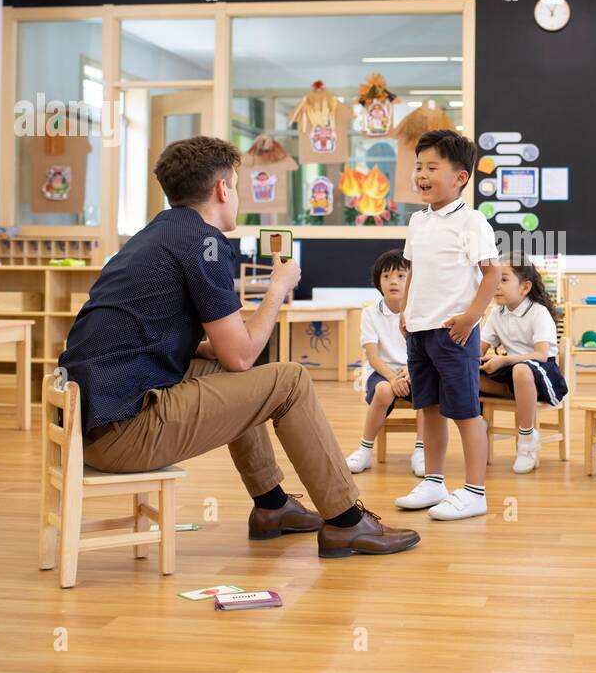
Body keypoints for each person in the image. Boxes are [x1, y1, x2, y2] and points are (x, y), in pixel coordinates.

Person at [59, 135, 419, 559]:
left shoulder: (156, 234)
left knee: (240, 375)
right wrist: (278, 287)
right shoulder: (204, 243)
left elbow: (156, 331)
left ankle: (271, 506)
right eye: (238, 183)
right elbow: (242, 353)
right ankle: (345, 522)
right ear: (222, 188)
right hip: (124, 433)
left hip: (90, 422)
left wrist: (209, 350)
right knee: (290, 380)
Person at [393, 130, 501, 521]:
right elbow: (415, 270)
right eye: (418, 166)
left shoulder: (472, 222)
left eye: (431, 167)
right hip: (420, 329)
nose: (421, 174)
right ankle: (434, 481)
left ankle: (475, 491)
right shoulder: (418, 221)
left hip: (453, 331)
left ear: (460, 177)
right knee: (430, 408)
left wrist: (472, 318)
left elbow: (492, 274)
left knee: (465, 411)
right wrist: (405, 310)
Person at [479, 261, 568, 474]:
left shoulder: (538, 312)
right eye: (495, 279)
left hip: (543, 373)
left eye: (504, 279)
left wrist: (503, 361)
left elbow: (541, 355)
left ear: (525, 287)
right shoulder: (496, 313)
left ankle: (527, 439)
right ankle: (477, 428)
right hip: (514, 375)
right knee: (466, 373)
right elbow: (478, 351)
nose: (496, 285)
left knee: (521, 369)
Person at [344, 249, 426, 476]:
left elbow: (424, 350)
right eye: (387, 276)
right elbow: (372, 356)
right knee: (383, 392)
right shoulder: (370, 313)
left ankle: (421, 451)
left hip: (415, 370)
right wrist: (391, 377)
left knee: (426, 389)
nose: (393, 282)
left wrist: (410, 370)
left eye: (401, 276)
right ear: (378, 281)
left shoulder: (420, 310)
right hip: (382, 372)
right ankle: (364, 450)